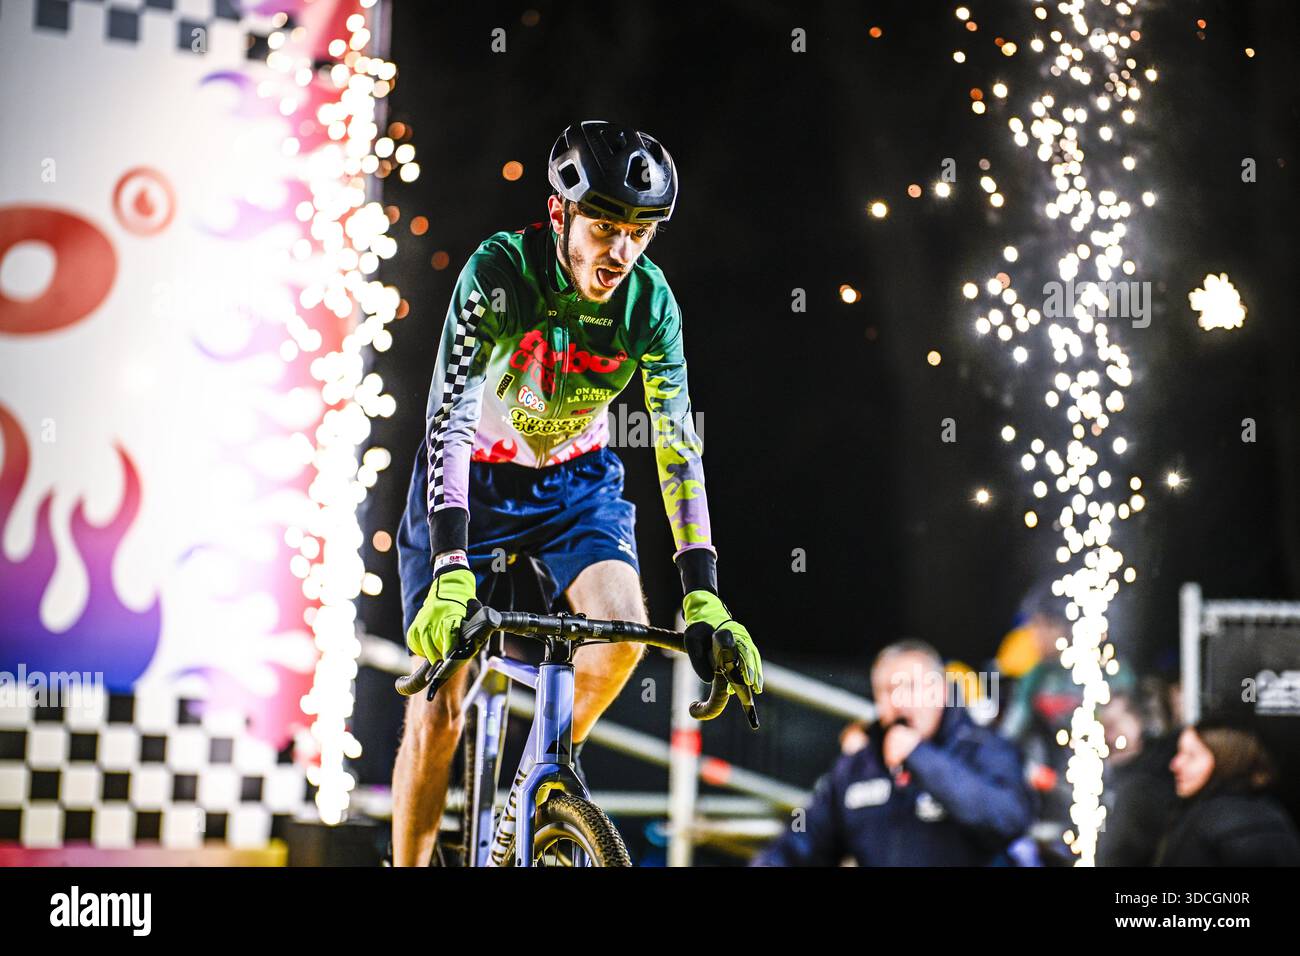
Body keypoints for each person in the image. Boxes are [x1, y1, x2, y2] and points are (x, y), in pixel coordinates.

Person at [391, 121, 763, 867]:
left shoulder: (651, 307)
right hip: (479, 482)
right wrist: (450, 562)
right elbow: (450, 420)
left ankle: (539, 777)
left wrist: (703, 592)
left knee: (624, 630)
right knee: (439, 710)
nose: (620, 252)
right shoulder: (499, 272)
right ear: (560, 215)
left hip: (576, 484)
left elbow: (675, 443)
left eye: (640, 232)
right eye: (604, 226)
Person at [752, 640, 1033, 866]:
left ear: (940, 691)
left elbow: (1007, 819)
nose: (899, 702)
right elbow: (801, 845)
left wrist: (920, 757)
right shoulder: (856, 767)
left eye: (910, 687)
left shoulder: (983, 747)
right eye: (888, 690)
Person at [1155, 718, 1300, 866]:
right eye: (1179, 752)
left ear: (1226, 760)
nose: (1175, 764)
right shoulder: (1270, 812)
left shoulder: (1214, 824)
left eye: (1191, 755)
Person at [1095, 691, 1179, 867]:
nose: (1112, 730)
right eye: (1107, 723)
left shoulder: (1158, 766)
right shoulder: (1096, 771)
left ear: (1138, 719)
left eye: (1119, 719)